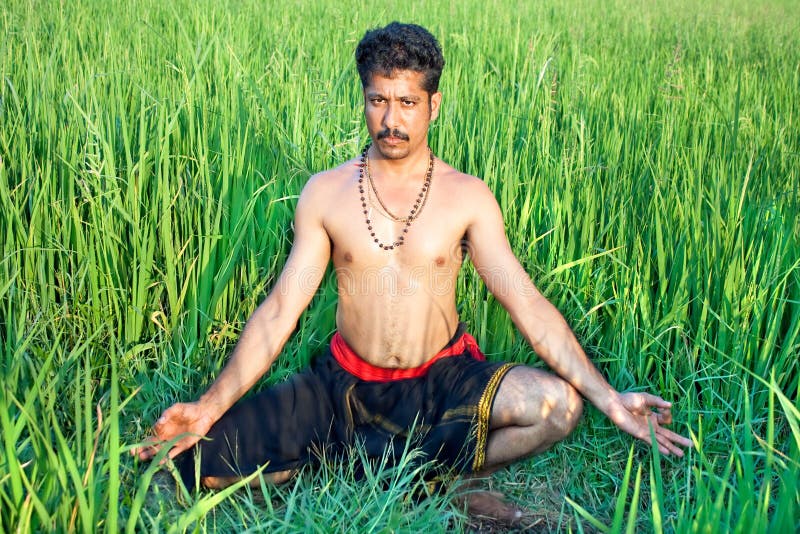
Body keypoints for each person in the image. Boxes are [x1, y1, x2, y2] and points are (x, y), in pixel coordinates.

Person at [135, 22, 691, 525]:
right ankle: (374, 462)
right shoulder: (325, 193)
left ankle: (435, 480)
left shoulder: (467, 197)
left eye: (407, 102)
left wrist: (608, 397)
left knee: (558, 408)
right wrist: (208, 406)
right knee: (197, 466)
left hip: (441, 382)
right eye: (378, 100)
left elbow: (526, 303)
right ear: (363, 98)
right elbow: (281, 310)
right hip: (343, 387)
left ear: (433, 105)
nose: (391, 120)